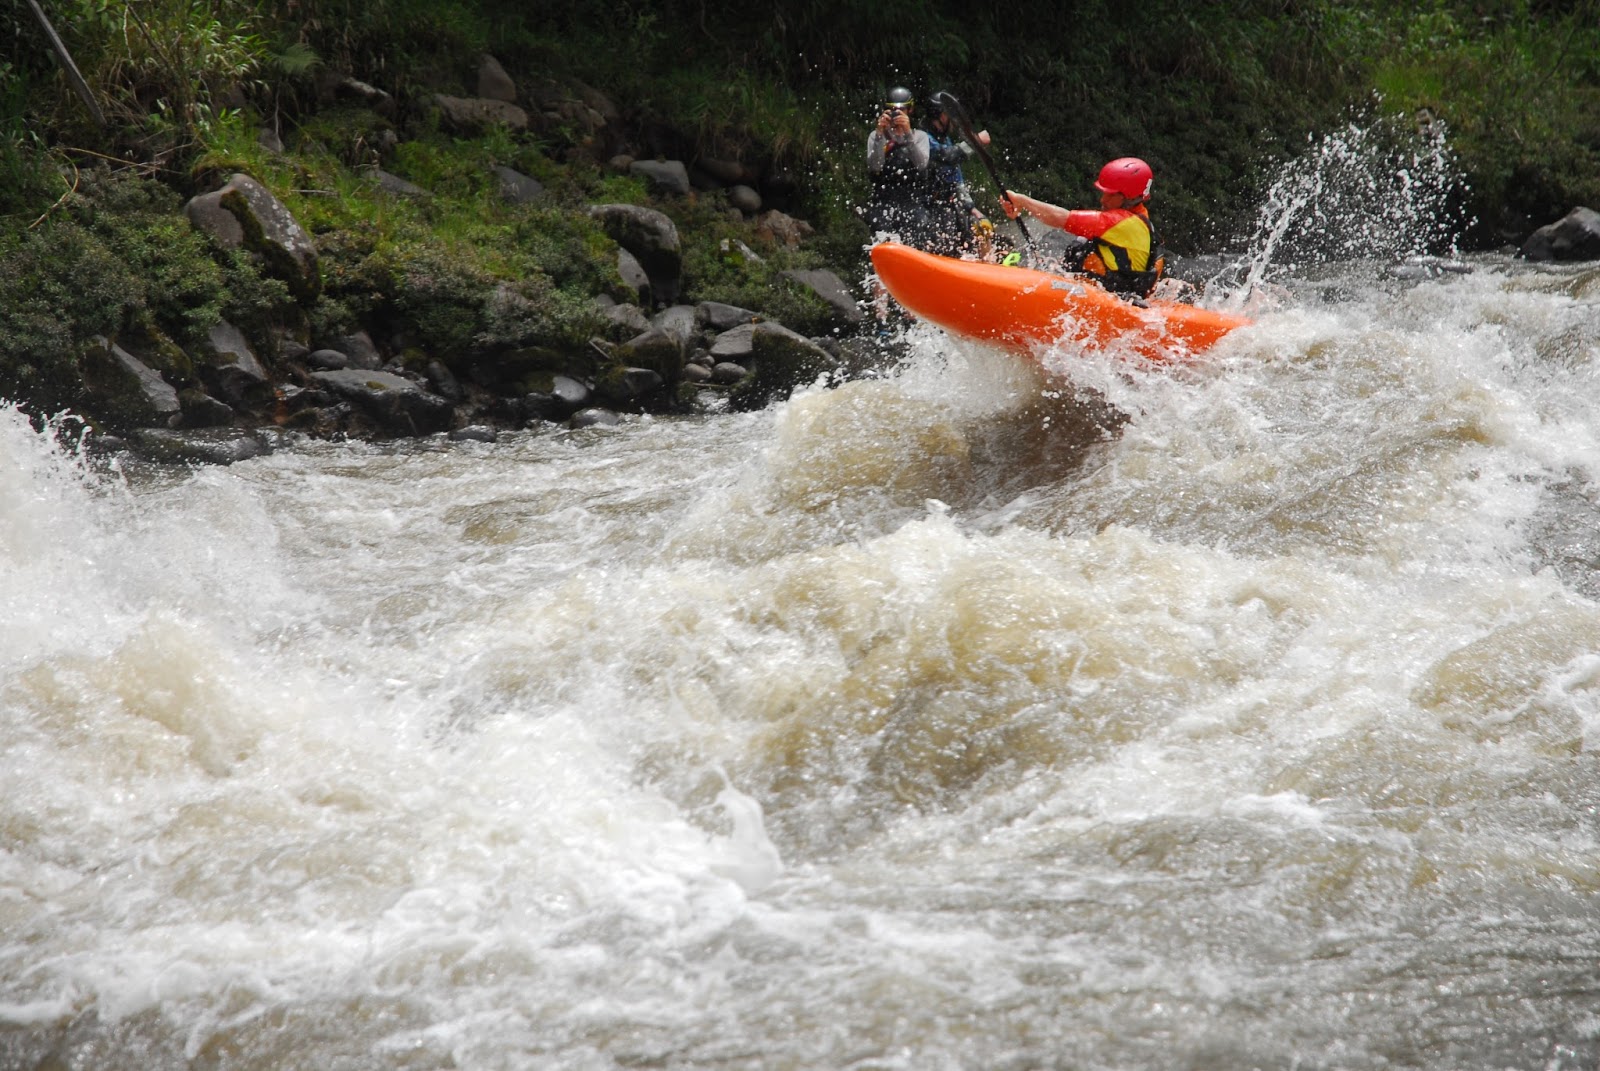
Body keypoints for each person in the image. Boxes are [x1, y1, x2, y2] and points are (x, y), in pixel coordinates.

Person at [1000, 157, 1166, 298]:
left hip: (1103, 300)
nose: (1103, 199)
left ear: (1129, 197)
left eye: (1110, 194)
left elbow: (1060, 218)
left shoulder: (1122, 224)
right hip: (1104, 297)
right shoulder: (1140, 222)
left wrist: (1021, 201)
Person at [863, 86, 931, 246]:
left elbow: (921, 164)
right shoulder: (876, 136)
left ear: (910, 110)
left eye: (901, 110)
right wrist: (880, 134)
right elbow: (875, 166)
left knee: (919, 224)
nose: (896, 114)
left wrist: (907, 134)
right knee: (879, 228)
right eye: (892, 110)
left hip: (911, 202)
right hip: (884, 202)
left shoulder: (919, 136)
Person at [924, 95, 991, 257]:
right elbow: (947, 157)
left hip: (950, 204)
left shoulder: (944, 138)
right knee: (945, 244)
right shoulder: (922, 138)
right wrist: (975, 141)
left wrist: (974, 210)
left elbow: (956, 179)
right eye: (950, 116)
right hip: (930, 208)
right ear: (940, 115)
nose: (954, 121)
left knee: (980, 232)